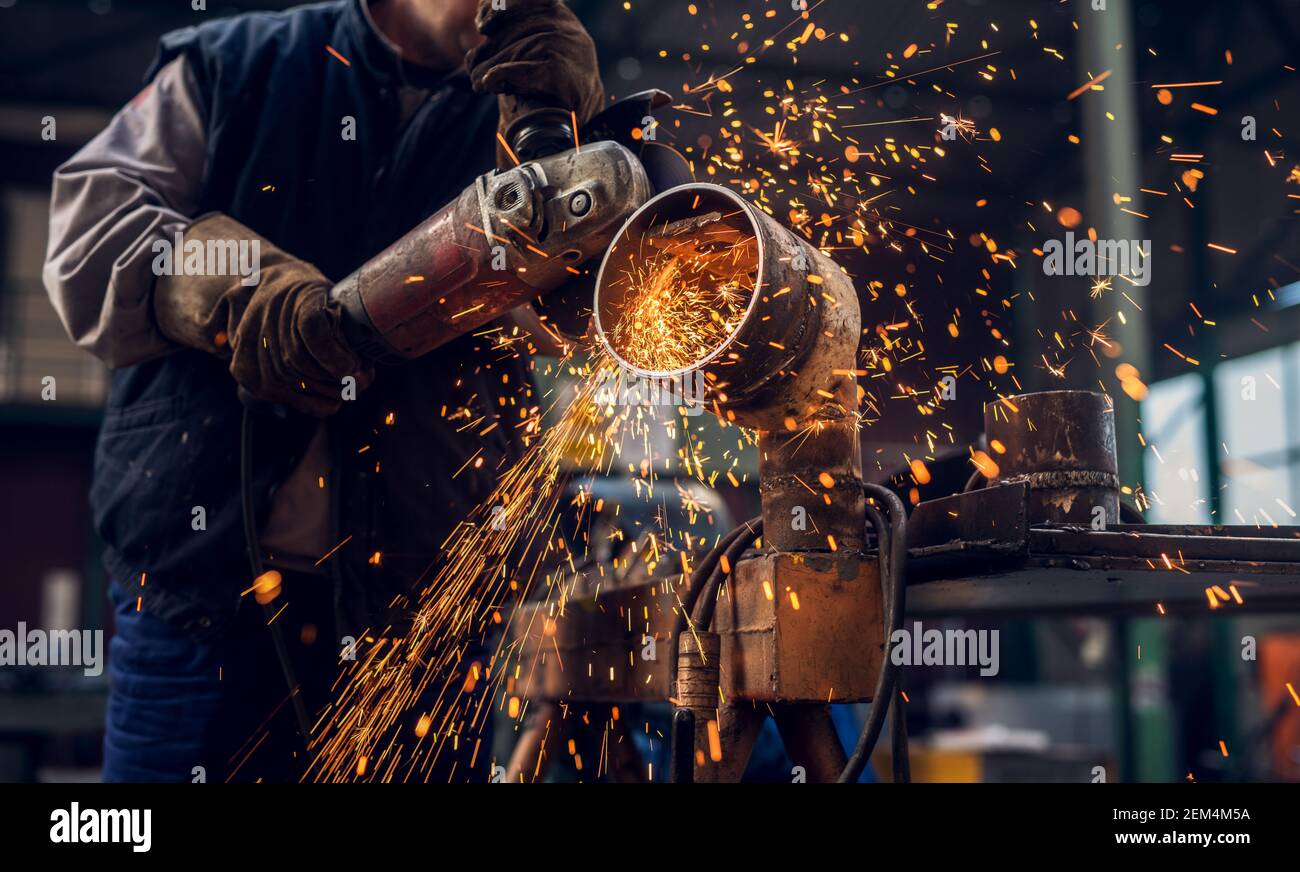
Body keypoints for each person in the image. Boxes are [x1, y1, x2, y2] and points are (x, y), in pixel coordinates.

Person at [42, 0, 604, 783]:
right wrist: (231, 291)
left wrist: (582, 138)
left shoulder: (540, 104)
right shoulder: (235, 64)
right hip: (201, 602)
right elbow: (87, 243)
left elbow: (610, 314)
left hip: (422, 621)